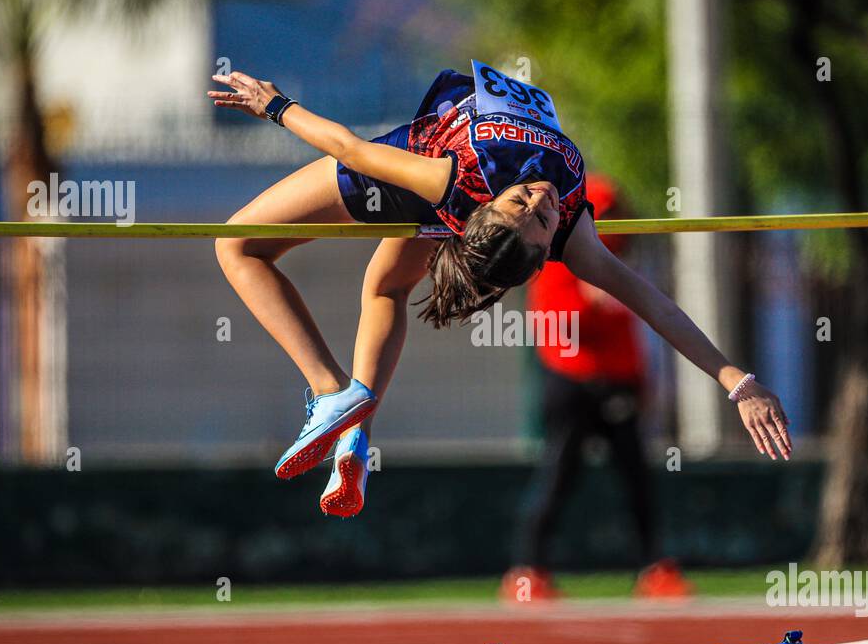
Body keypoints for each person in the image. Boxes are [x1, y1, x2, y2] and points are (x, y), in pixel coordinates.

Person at [208, 62, 791, 518]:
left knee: (238, 245)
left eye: (534, 209)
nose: (541, 197)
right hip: (439, 180)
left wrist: (275, 106)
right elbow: (655, 305)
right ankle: (353, 433)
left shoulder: (462, 183)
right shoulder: (567, 226)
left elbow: (352, 149)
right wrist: (738, 382)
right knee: (384, 290)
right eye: (534, 209)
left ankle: (332, 391)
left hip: (426, 164)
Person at [505, 175, 689, 600]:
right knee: (558, 476)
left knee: (637, 478)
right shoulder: (554, 261)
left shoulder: (614, 264)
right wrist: (593, 304)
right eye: (607, 217)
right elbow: (558, 324)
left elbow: (628, 331)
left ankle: (655, 569)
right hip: (571, 380)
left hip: (617, 382)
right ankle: (528, 572)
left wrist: (641, 381)